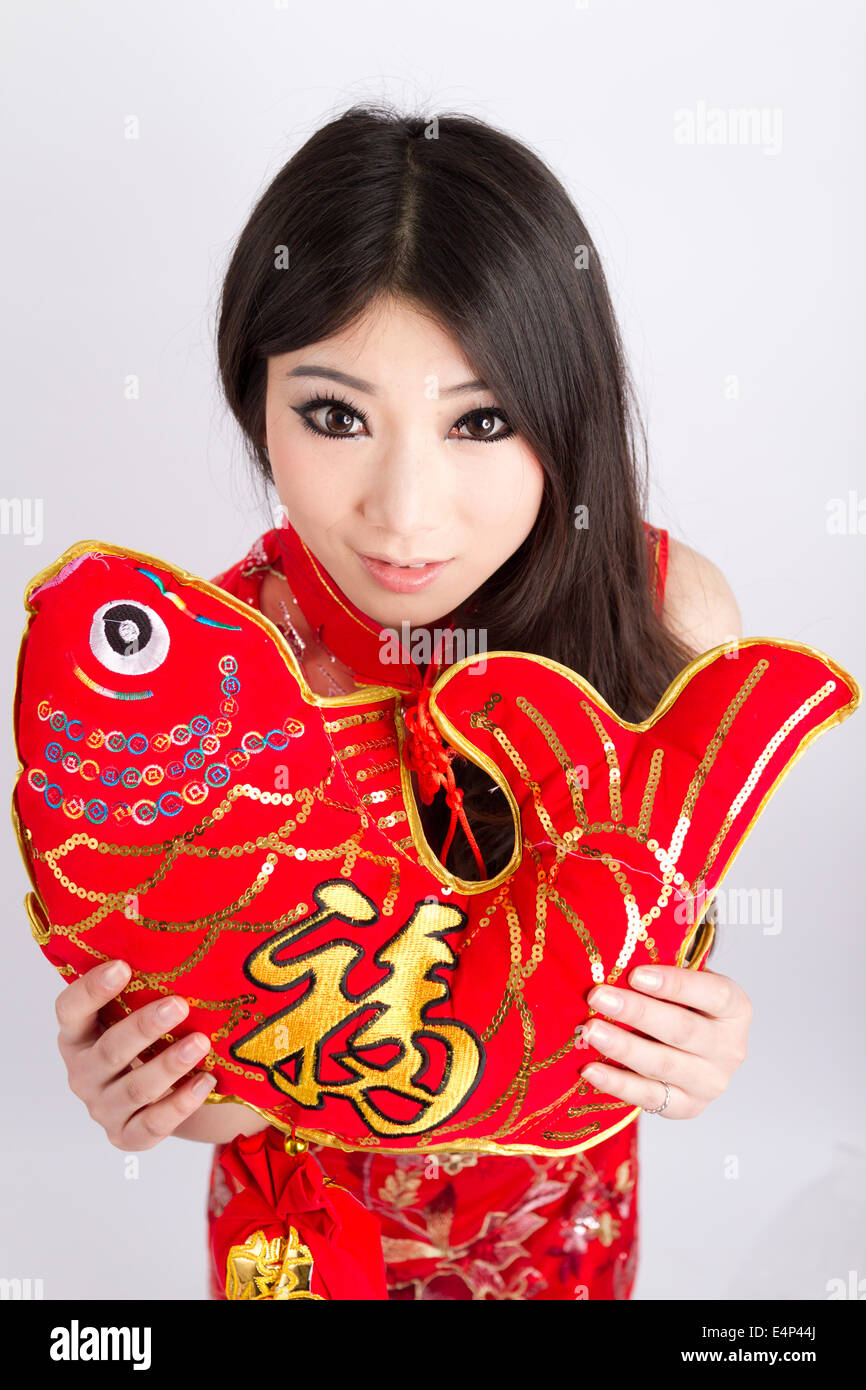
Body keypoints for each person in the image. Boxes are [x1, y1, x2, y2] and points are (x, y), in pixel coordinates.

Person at [52, 105, 753, 1300]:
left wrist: (696, 1045)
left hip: (557, 1226)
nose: (405, 511)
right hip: (303, 1235)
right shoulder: (203, 677)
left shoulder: (665, 620)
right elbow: (228, 1078)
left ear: (563, 408)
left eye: (479, 420)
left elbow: (660, 964)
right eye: (334, 416)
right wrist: (152, 1091)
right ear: (253, 401)